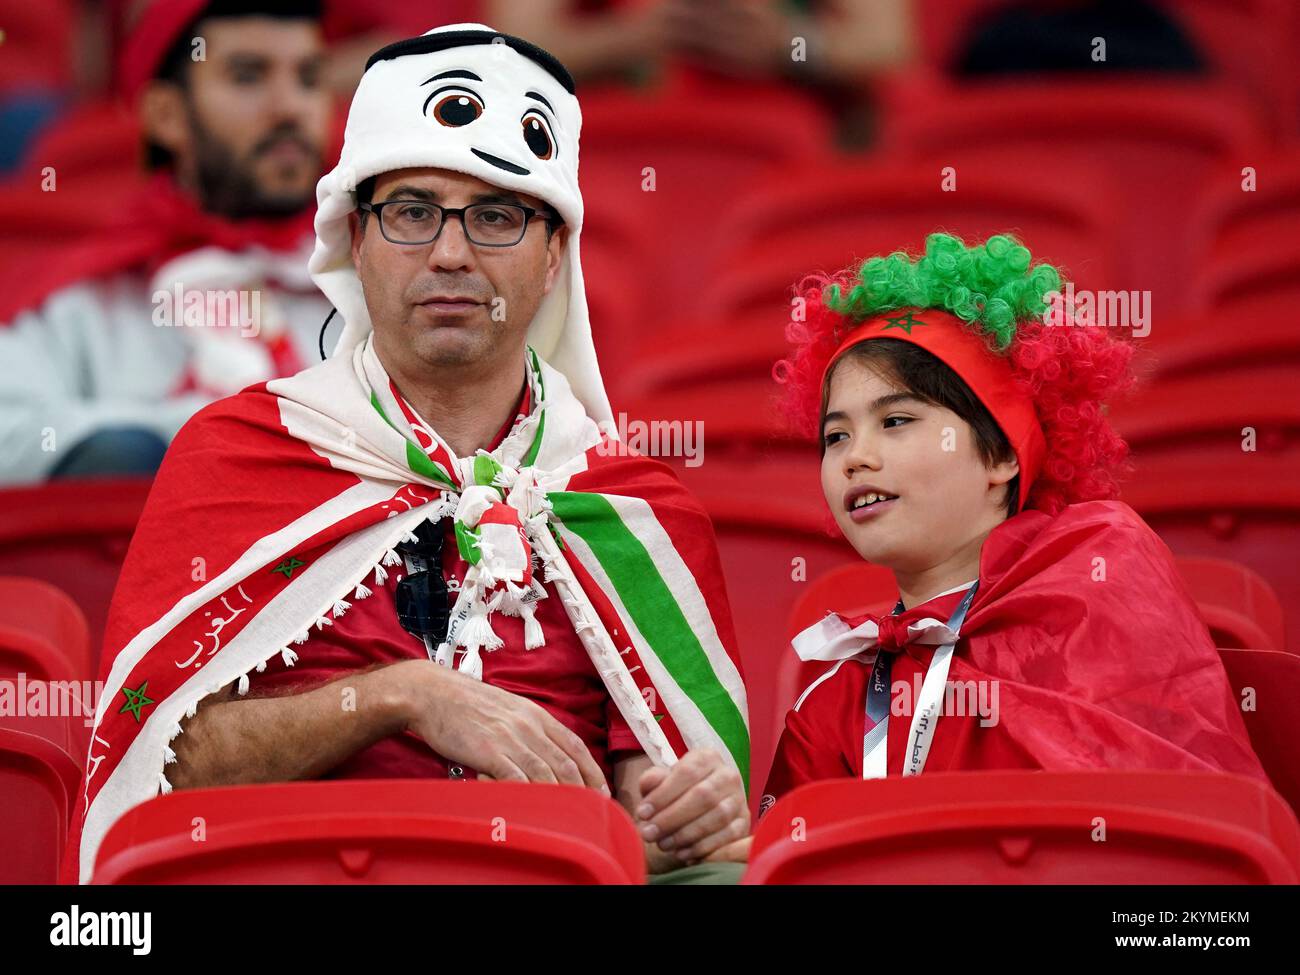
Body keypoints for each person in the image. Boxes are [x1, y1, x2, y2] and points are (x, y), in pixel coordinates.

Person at [65, 23, 750, 885]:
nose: (451, 253)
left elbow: (658, 815)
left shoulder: (630, 505)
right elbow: (154, 765)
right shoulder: (240, 454)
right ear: (356, 240)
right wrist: (402, 697)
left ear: (553, 260)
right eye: (413, 213)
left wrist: (676, 809)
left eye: (497, 216)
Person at [755, 232, 1265, 824]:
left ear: (1002, 457)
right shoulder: (833, 699)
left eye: (895, 420)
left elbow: (1181, 840)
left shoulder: (1104, 583)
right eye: (835, 436)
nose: (854, 457)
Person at [0, 0, 332, 483]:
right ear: (166, 114)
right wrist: (192, 436)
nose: (289, 107)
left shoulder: (373, 284)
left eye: (307, 78)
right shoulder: (87, 296)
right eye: (247, 76)